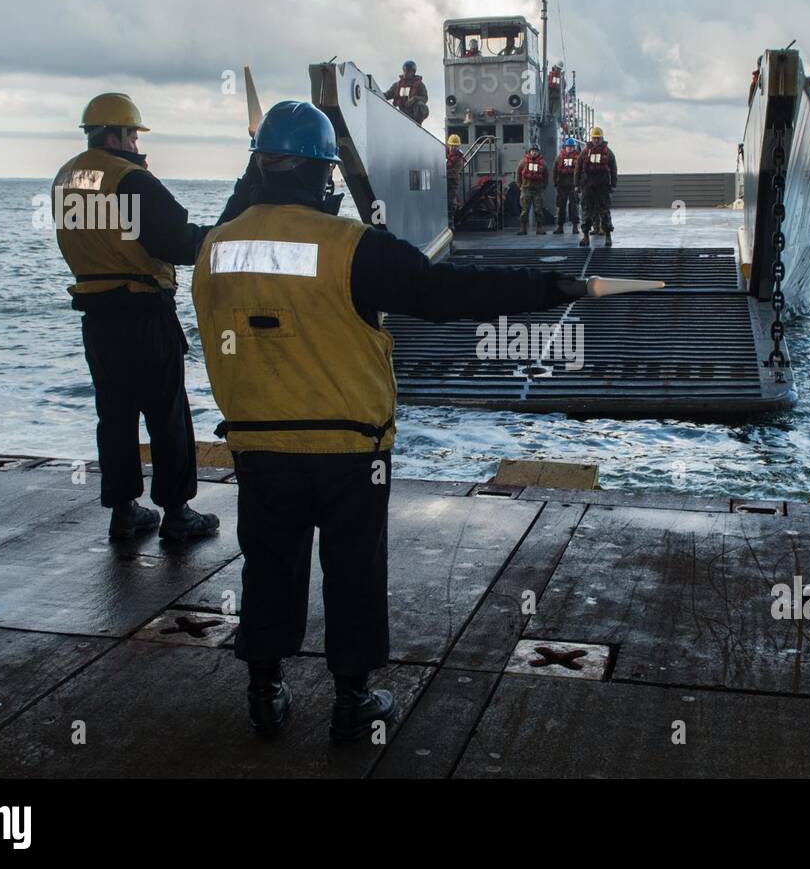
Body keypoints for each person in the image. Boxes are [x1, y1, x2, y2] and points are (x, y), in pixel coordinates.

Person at [191, 101, 613, 742]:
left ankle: (264, 690)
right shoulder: (351, 248)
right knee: (353, 571)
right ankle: (352, 701)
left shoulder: (214, 248)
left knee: (268, 565)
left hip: (258, 443)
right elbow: (449, 294)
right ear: (321, 175)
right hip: (348, 449)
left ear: (258, 171)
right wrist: (548, 287)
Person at [52, 92, 252, 541]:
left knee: (115, 415)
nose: (137, 144)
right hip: (143, 312)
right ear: (117, 133)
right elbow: (177, 244)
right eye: (133, 134)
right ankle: (177, 513)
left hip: (97, 316)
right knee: (167, 415)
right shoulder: (130, 179)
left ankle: (124, 510)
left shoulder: (67, 177)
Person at [574, 125, 617, 247]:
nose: (596, 140)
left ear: (602, 138)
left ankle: (608, 236)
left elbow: (613, 169)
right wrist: (576, 184)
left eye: (598, 138)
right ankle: (585, 236)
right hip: (587, 187)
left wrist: (613, 184)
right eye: (594, 138)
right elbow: (578, 168)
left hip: (602, 187)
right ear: (591, 138)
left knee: (604, 212)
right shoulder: (585, 152)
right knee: (586, 212)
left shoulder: (608, 153)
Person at [515, 144, 550, 235]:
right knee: (524, 209)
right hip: (526, 189)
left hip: (538, 190)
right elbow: (518, 174)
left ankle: (539, 227)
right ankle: (523, 228)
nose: (534, 152)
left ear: (538, 152)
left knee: (538, 209)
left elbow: (546, 175)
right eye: (532, 151)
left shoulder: (542, 163)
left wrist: (543, 186)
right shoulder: (523, 162)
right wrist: (520, 186)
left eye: (536, 151)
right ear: (530, 152)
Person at [383, 60, 429, 124]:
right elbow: (386, 95)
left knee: (421, 105)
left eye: (409, 70)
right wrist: (376, 92)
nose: (406, 72)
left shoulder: (419, 85)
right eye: (405, 70)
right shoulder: (397, 85)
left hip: (414, 113)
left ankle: (417, 125)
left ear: (413, 72)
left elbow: (425, 98)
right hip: (401, 112)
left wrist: (415, 99)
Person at [552, 137, 580, 236]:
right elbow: (555, 170)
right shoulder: (559, 157)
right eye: (568, 146)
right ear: (565, 147)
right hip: (562, 186)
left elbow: (581, 170)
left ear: (574, 147)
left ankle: (575, 226)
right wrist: (555, 182)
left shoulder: (578, 158)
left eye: (572, 147)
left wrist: (579, 184)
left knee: (574, 206)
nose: (570, 148)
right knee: (561, 206)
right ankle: (560, 226)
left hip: (573, 186)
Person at [445, 133, 464, 223]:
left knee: (451, 201)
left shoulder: (459, 159)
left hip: (452, 182)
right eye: (452, 145)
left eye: (455, 146)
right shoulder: (448, 156)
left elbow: (454, 171)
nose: (453, 147)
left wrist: (443, 172)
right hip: (447, 180)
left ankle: (451, 222)